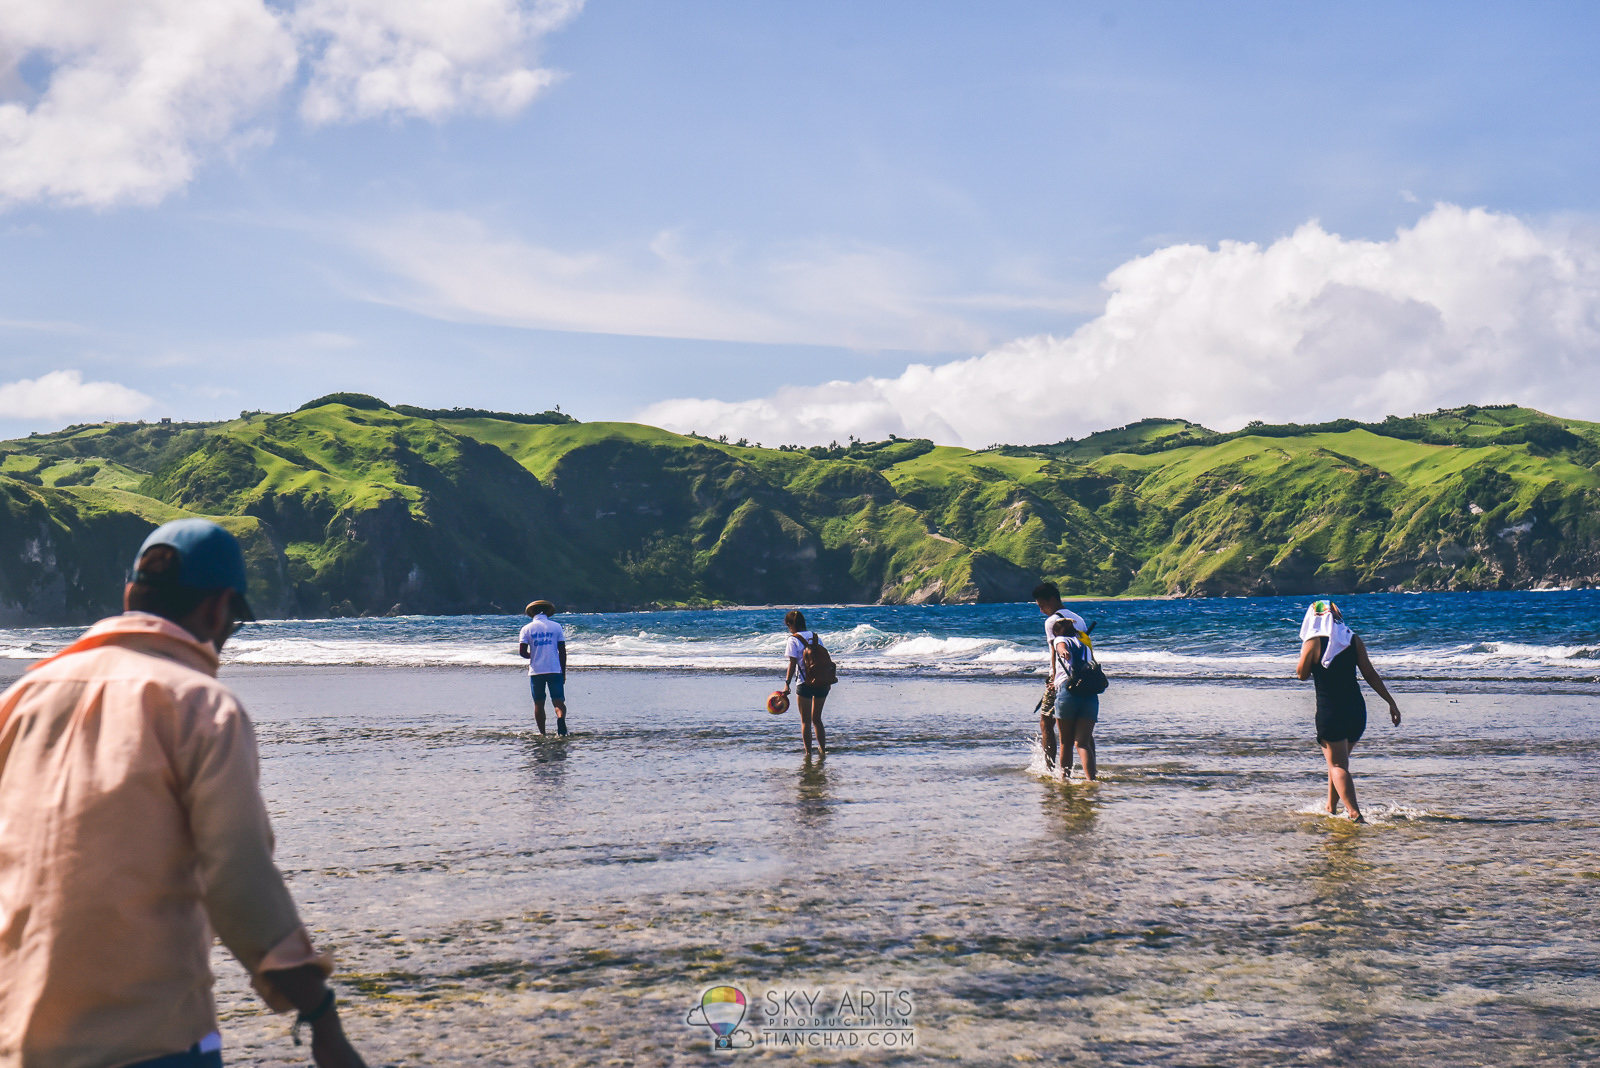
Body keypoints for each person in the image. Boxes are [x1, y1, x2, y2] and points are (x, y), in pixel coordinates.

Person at [0, 518, 366, 1068]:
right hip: (150, 1040)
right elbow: (237, 878)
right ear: (219, 610)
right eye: (234, 623)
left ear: (130, 595)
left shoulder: (24, 696)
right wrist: (320, 1014)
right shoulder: (200, 706)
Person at [1295, 600, 1401, 823]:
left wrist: (1308, 648)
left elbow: (1301, 674)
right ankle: (1331, 807)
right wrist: (1390, 702)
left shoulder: (1313, 642)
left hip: (1330, 711)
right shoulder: (1352, 639)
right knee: (1337, 763)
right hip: (1356, 712)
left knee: (1337, 765)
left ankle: (1354, 813)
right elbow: (1370, 674)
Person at [1033, 582, 1088, 773]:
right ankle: (1089, 769)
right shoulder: (1078, 619)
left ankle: (1050, 769)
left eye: (1042, 605)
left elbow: (1055, 651)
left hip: (1059, 678)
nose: (1041, 610)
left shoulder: (1051, 622)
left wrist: (1052, 680)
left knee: (1046, 722)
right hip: (1081, 677)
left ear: (1052, 600)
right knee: (1082, 727)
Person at [1048, 617, 1101, 781]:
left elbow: (1061, 647)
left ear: (1056, 632)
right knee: (1083, 743)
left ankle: (1064, 778)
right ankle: (1092, 779)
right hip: (1090, 693)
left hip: (1068, 692)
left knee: (1065, 742)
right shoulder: (1084, 644)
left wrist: (1063, 652)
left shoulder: (1060, 639)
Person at [781, 610, 831, 756]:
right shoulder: (815, 637)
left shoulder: (793, 640)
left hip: (804, 683)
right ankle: (822, 750)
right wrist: (827, 680)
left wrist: (786, 684)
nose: (788, 628)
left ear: (791, 624)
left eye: (788, 625)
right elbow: (824, 660)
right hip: (821, 682)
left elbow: (792, 663)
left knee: (805, 722)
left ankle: (808, 754)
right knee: (817, 720)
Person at [518, 600, 569, 736]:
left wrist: (534, 655)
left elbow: (522, 652)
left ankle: (543, 733)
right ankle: (560, 719)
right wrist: (563, 672)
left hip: (536, 671)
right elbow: (562, 651)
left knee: (539, 703)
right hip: (554, 669)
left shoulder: (526, 629)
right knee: (558, 701)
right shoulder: (556, 626)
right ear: (547, 612)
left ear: (532, 613)